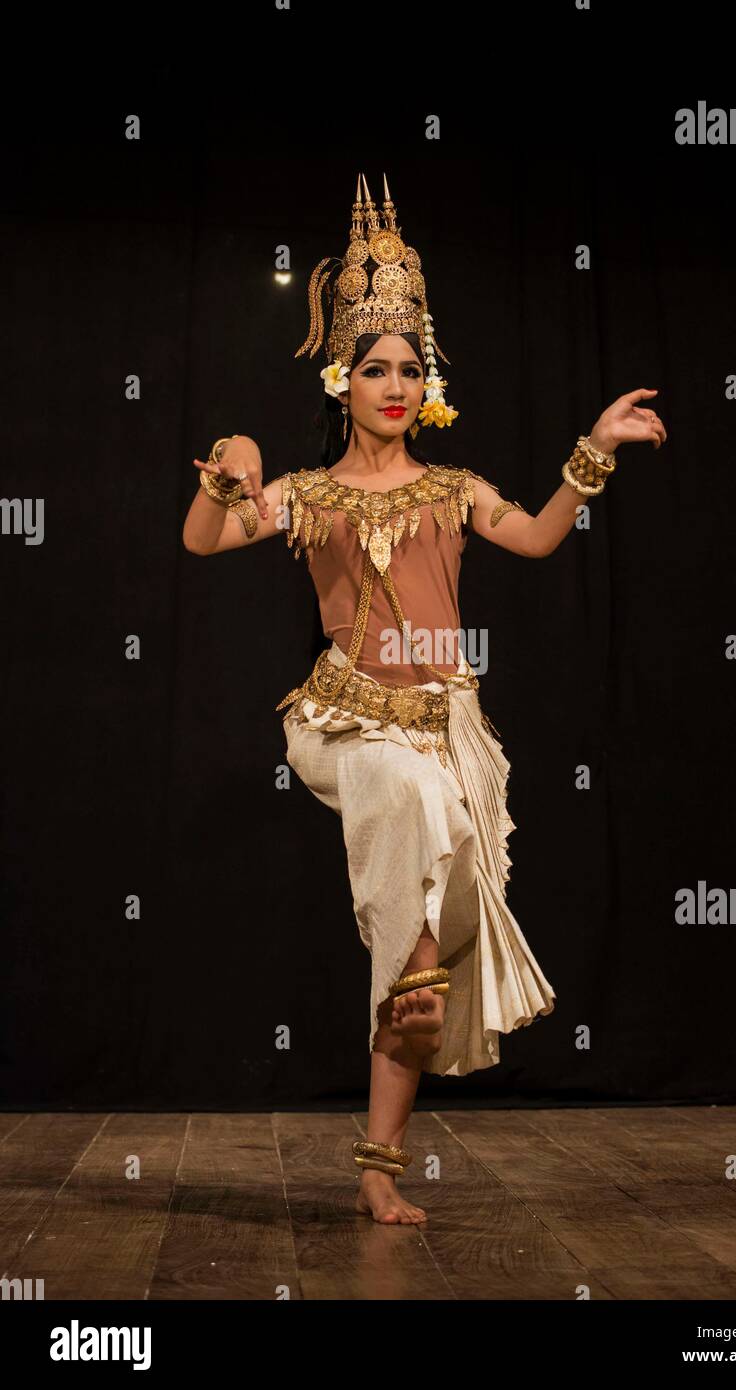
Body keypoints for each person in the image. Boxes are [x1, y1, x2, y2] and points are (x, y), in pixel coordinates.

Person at [182, 172, 667, 1225]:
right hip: (341, 725)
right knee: (405, 798)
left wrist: (595, 451)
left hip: (441, 732)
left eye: (410, 368)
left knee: (420, 958)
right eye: (374, 369)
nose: (395, 385)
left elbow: (536, 534)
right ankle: (399, 965)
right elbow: (206, 538)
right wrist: (231, 465)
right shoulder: (309, 496)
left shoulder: (453, 488)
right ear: (341, 384)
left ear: (424, 381)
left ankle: (377, 1168)